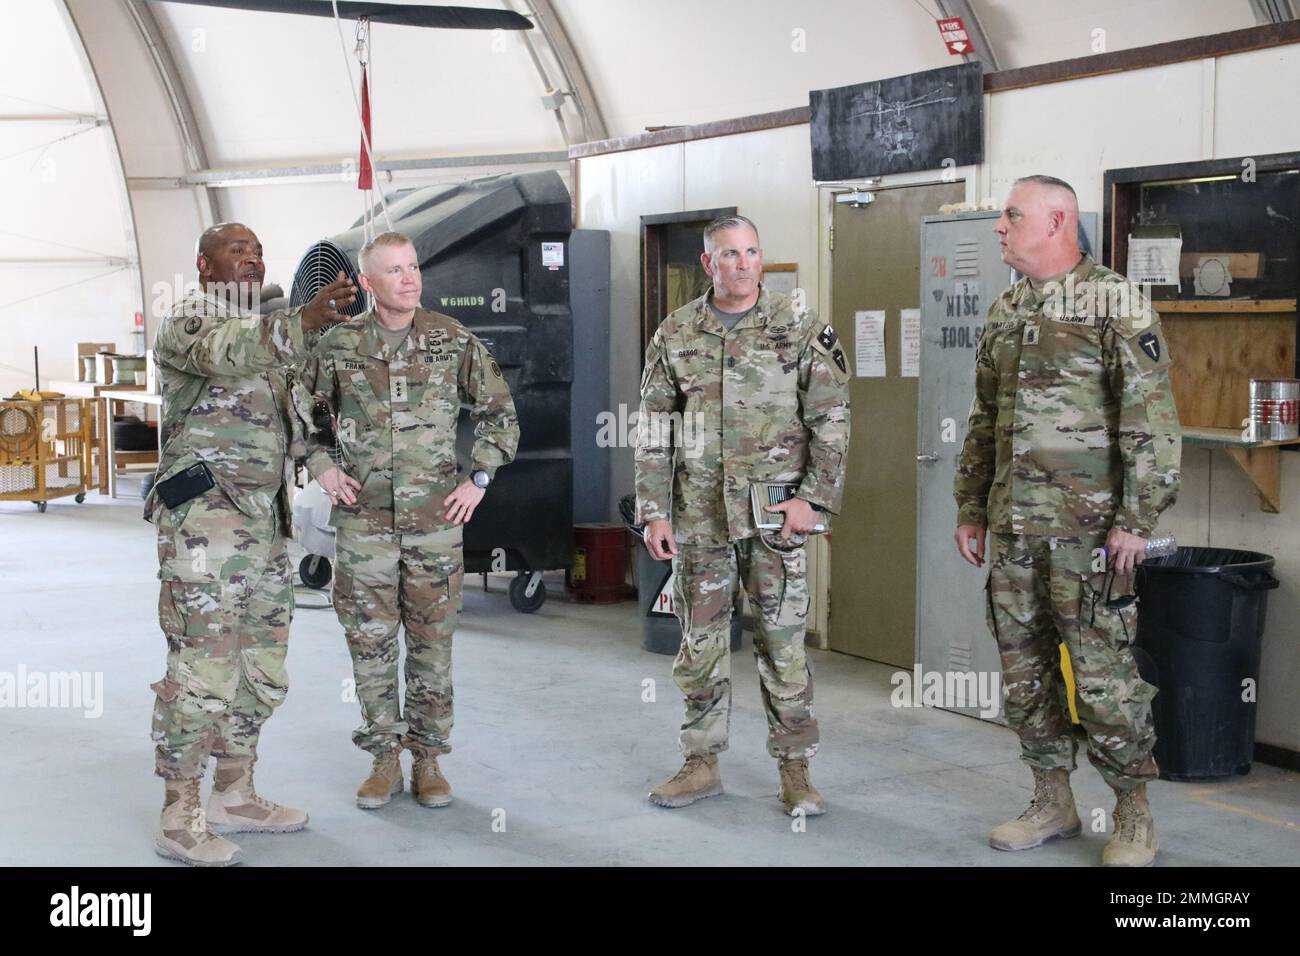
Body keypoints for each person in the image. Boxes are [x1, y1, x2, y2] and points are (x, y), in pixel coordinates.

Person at [954, 175, 1182, 866]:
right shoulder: (1007, 308)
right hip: (1014, 530)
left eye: (1012, 215)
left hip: (1091, 535)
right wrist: (971, 506)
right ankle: (1051, 798)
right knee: (1024, 675)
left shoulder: (1115, 303)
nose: (1000, 227)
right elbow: (985, 418)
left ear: (1056, 221)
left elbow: (1151, 423)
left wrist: (1136, 520)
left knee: (1104, 679)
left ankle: (1133, 812)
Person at [147, 222, 356, 866]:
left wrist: (325, 461)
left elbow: (298, 419)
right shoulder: (190, 320)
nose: (252, 259)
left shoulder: (272, 334)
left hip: (265, 526)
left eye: (259, 252)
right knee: (202, 668)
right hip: (205, 527)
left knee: (261, 664)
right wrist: (302, 322)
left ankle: (234, 794)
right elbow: (232, 352)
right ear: (204, 264)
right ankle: (179, 813)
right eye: (237, 251)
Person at [635, 214, 851, 816]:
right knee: (700, 643)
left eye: (752, 251)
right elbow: (653, 429)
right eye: (729, 254)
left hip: (774, 518)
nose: (743, 263)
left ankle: (796, 770)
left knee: (783, 645)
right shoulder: (676, 333)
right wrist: (654, 511)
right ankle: (701, 763)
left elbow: (832, 420)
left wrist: (814, 499)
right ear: (709, 264)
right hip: (699, 518)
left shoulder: (798, 327)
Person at [295, 231, 519, 810]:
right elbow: (298, 415)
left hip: (435, 522)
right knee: (369, 644)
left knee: (431, 644)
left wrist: (479, 478)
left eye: (414, 266)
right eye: (394, 270)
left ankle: (428, 759)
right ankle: (383, 759)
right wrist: (321, 466)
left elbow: (499, 412)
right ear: (367, 283)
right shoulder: (339, 345)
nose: (410, 278)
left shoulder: (452, 339)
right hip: (364, 523)